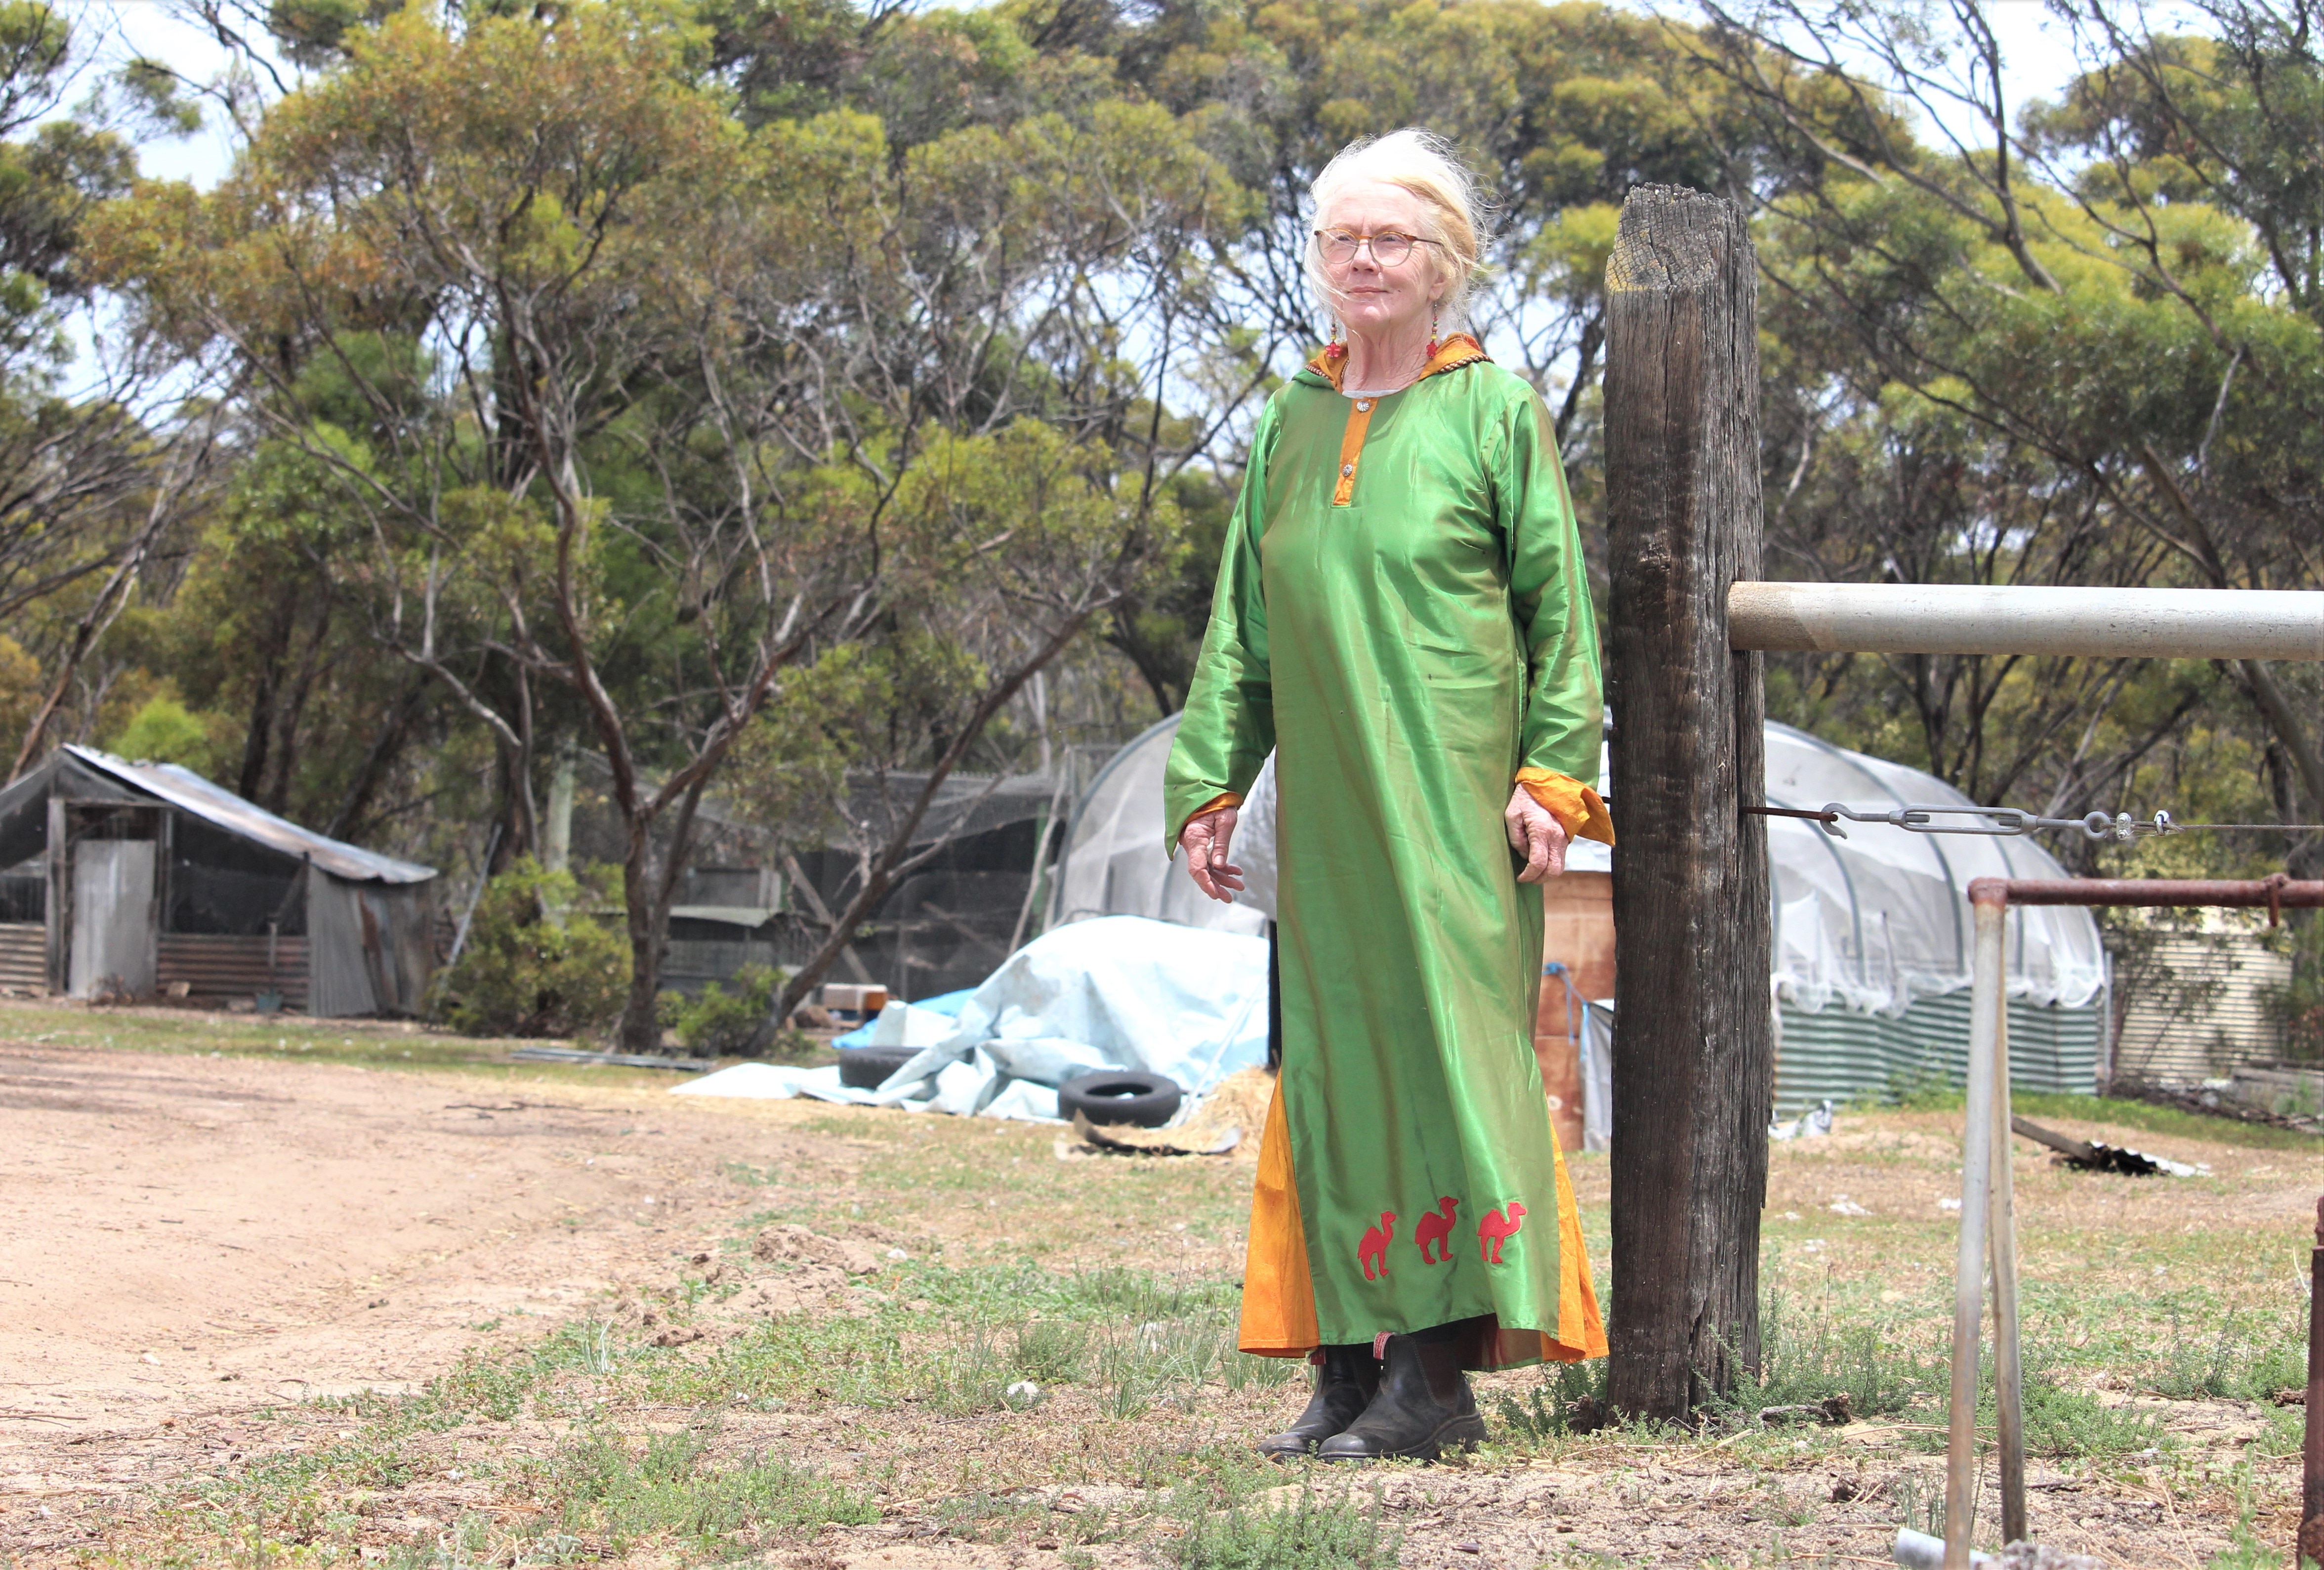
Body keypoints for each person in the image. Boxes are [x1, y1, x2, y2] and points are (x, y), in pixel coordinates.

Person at [1163, 127, 1614, 1462]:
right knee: (1329, 1070)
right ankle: (1343, 1370)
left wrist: (1551, 778)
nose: (1364, 260)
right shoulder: (1292, 423)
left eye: (1393, 240)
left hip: (1457, 813)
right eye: (1343, 239)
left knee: (1439, 1067)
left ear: (1446, 264)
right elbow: (1243, 622)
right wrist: (1210, 783)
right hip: (1330, 826)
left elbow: (1560, 615)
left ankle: (1435, 1379)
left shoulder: (1493, 414)